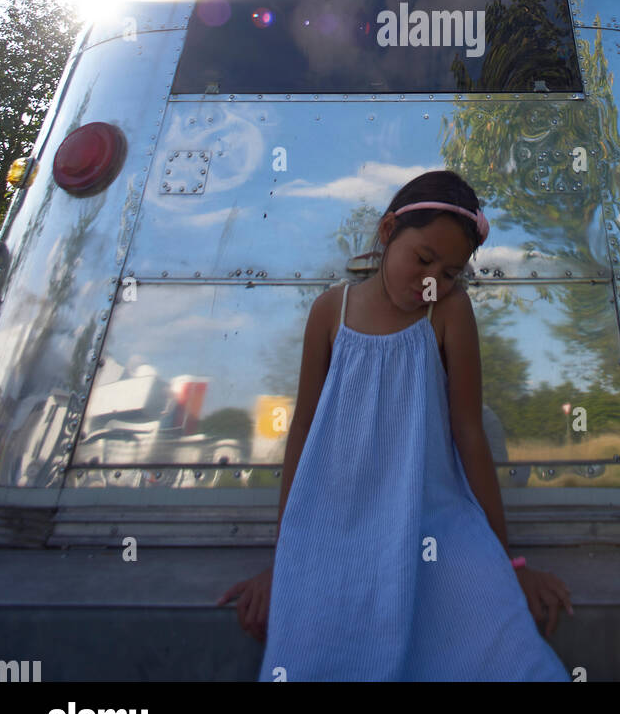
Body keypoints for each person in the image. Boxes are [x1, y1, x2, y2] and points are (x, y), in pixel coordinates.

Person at [218, 170, 573, 681]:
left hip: (433, 518)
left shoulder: (448, 314)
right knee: (319, 646)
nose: (431, 281)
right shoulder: (330, 311)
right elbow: (304, 434)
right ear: (387, 233)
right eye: (423, 259)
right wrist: (285, 562)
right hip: (336, 522)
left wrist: (508, 564)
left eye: (450, 272)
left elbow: (469, 434)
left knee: (499, 643)